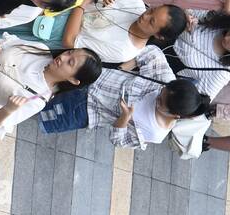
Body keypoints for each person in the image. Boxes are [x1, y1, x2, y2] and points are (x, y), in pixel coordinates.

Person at [34, 44, 210, 151]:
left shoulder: (156, 132)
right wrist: (126, 66)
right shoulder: (165, 81)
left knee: (38, 113)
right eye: (161, 92)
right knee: (39, 82)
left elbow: (118, 139)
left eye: (160, 102)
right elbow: (151, 52)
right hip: (91, 78)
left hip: (84, 111)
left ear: (175, 115)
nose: (156, 96)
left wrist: (124, 119)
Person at [71, 0, 186, 64]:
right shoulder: (134, 1)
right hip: (71, 0)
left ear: (158, 36)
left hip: (58, 29)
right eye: (152, 10)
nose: (145, 15)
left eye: (151, 21)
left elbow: (70, 42)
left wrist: (81, 6)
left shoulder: (123, 51)